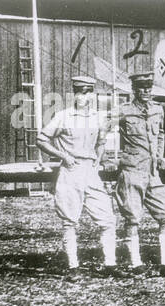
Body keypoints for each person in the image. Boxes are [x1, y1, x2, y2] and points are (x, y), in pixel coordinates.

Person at [37, 75, 120, 280]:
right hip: (70, 171)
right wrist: (63, 155)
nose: (86, 96)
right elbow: (41, 139)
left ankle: (110, 264)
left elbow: (101, 141)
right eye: (82, 92)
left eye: (90, 91)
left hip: (90, 172)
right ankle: (73, 267)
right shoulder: (63, 116)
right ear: (74, 94)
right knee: (69, 220)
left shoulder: (98, 117)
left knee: (108, 219)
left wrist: (98, 158)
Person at [111, 72, 165, 278]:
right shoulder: (123, 111)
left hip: (152, 173)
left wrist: (159, 156)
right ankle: (135, 263)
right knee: (133, 219)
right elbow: (101, 130)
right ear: (134, 89)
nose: (146, 91)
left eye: (149, 87)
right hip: (132, 170)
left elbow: (160, 134)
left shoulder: (157, 110)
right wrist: (108, 158)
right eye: (142, 87)